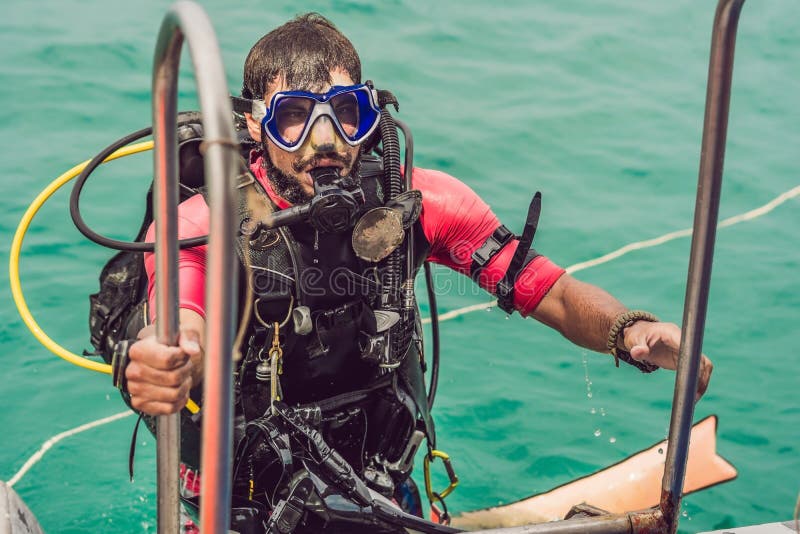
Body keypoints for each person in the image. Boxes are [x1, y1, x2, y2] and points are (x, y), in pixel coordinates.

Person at [123, 12, 713, 531]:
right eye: (295, 118)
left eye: (345, 114)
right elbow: (182, 323)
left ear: (370, 115)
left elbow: (547, 290)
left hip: (379, 481)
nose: (323, 142)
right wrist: (165, 358)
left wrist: (630, 331)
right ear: (255, 126)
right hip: (244, 501)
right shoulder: (204, 225)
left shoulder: (419, 204)